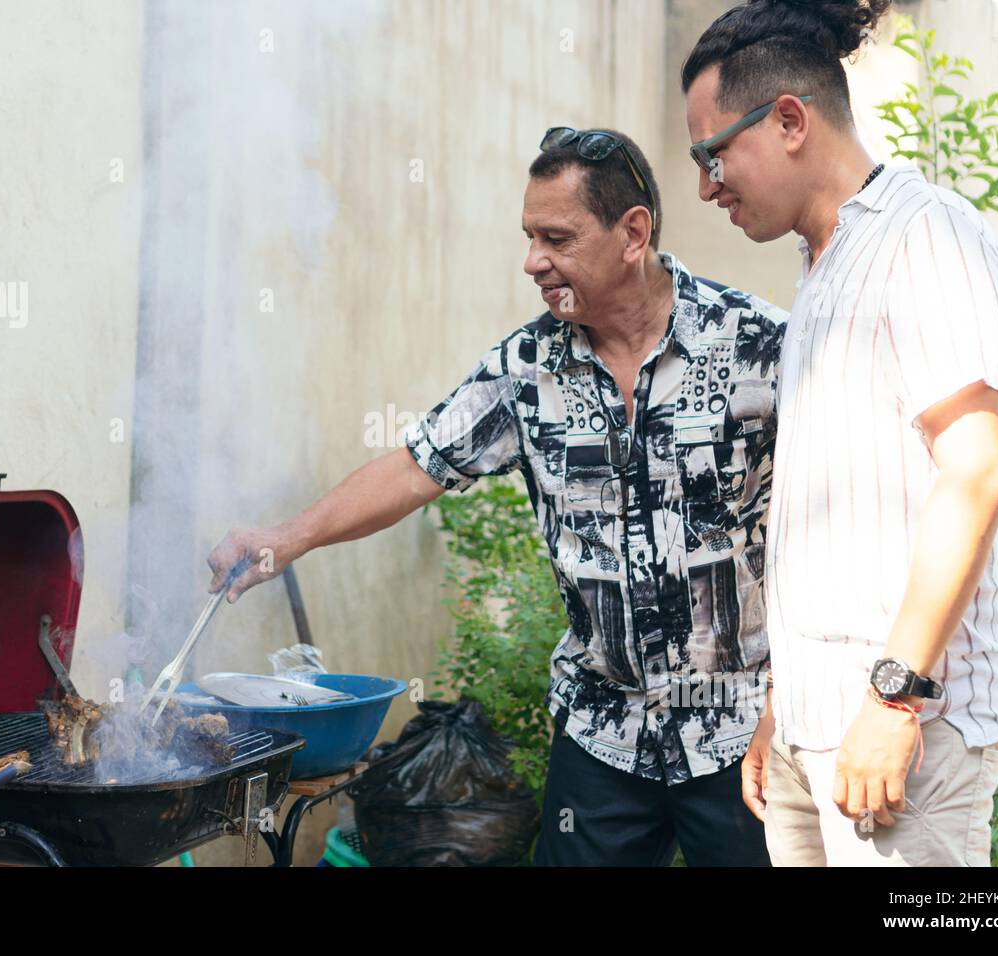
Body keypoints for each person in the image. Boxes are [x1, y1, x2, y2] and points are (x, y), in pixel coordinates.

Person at [207, 127, 787, 865]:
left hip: (742, 733)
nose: (533, 261)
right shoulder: (526, 368)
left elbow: (835, 516)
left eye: (556, 237)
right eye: (528, 236)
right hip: (603, 733)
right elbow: (417, 467)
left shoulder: (756, 347)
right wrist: (283, 540)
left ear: (631, 233)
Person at [681, 0, 998, 866]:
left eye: (712, 153)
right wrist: (780, 709)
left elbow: (976, 473)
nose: (706, 185)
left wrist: (895, 698)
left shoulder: (924, 237)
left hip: (908, 733)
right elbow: (837, 522)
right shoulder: (823, 261)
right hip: (817, 732)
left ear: (789, 119)